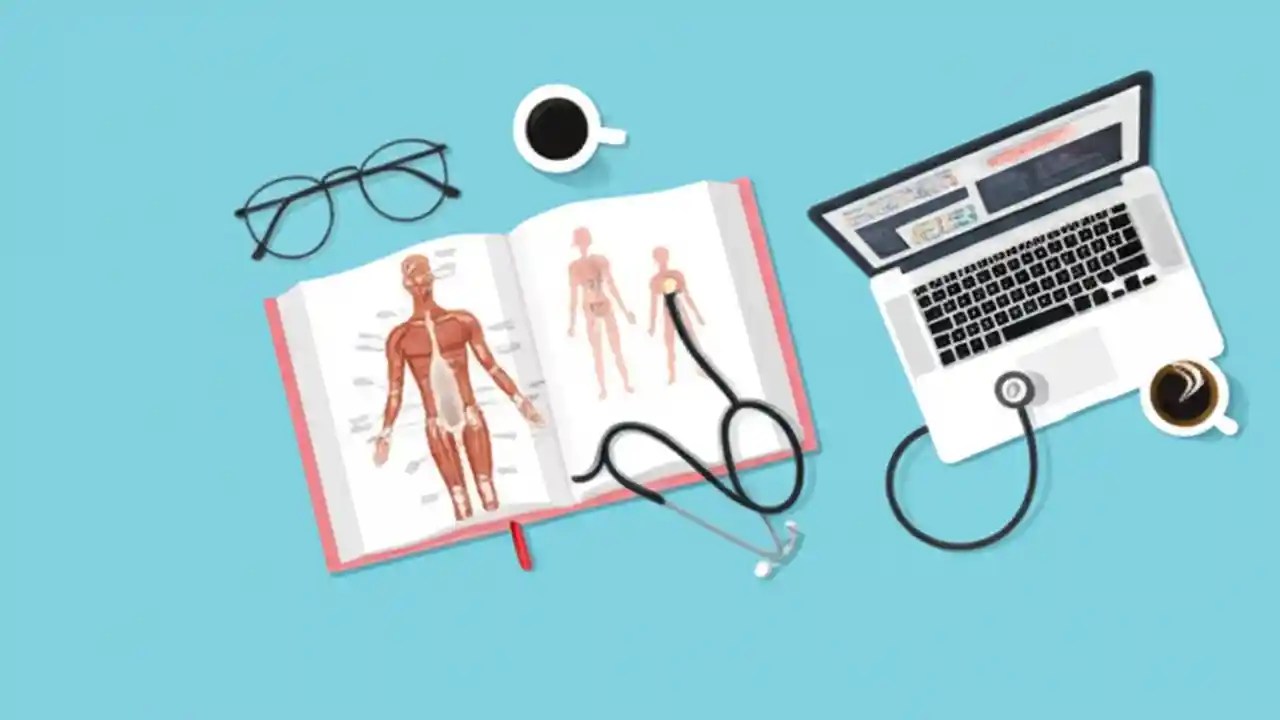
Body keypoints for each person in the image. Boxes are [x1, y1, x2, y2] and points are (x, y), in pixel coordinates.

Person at [373, 254, 544, 521]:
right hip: (435, 423)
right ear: (406, 285)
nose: (421, 285)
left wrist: (520, 401)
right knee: (459, 500)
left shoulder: (461, 321)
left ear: (432, 278)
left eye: (424, 277)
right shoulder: (400, 337)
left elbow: (491, 365)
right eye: (414, 279)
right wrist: (386, 433)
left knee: (488, 491)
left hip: (470, 414)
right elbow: (395, 390)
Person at [567, 226, 635, 399]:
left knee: (615, 348)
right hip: (590, 309)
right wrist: (572, 323)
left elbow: (611, 285)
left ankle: (626, 383)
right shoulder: (574, 267)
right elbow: (573, 296)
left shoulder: (599, 260)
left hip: (604, 305)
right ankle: (603, 388)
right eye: (580, 241)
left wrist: (625, 311)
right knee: (597, 351)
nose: (582, 245)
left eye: (583, 241)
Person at [647, 246, 705, 384]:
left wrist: (697, 315)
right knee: (670, 344)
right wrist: (652, 325)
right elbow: (653, 304)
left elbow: (687, 296)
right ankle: (672, 374)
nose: (662, 260)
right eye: (658, 257)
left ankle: (701, 368)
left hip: (681, 310)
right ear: (655, 260)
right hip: (667, 314)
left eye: (663, 256)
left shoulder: (676, 274)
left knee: (692, 341)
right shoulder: (655, 280)